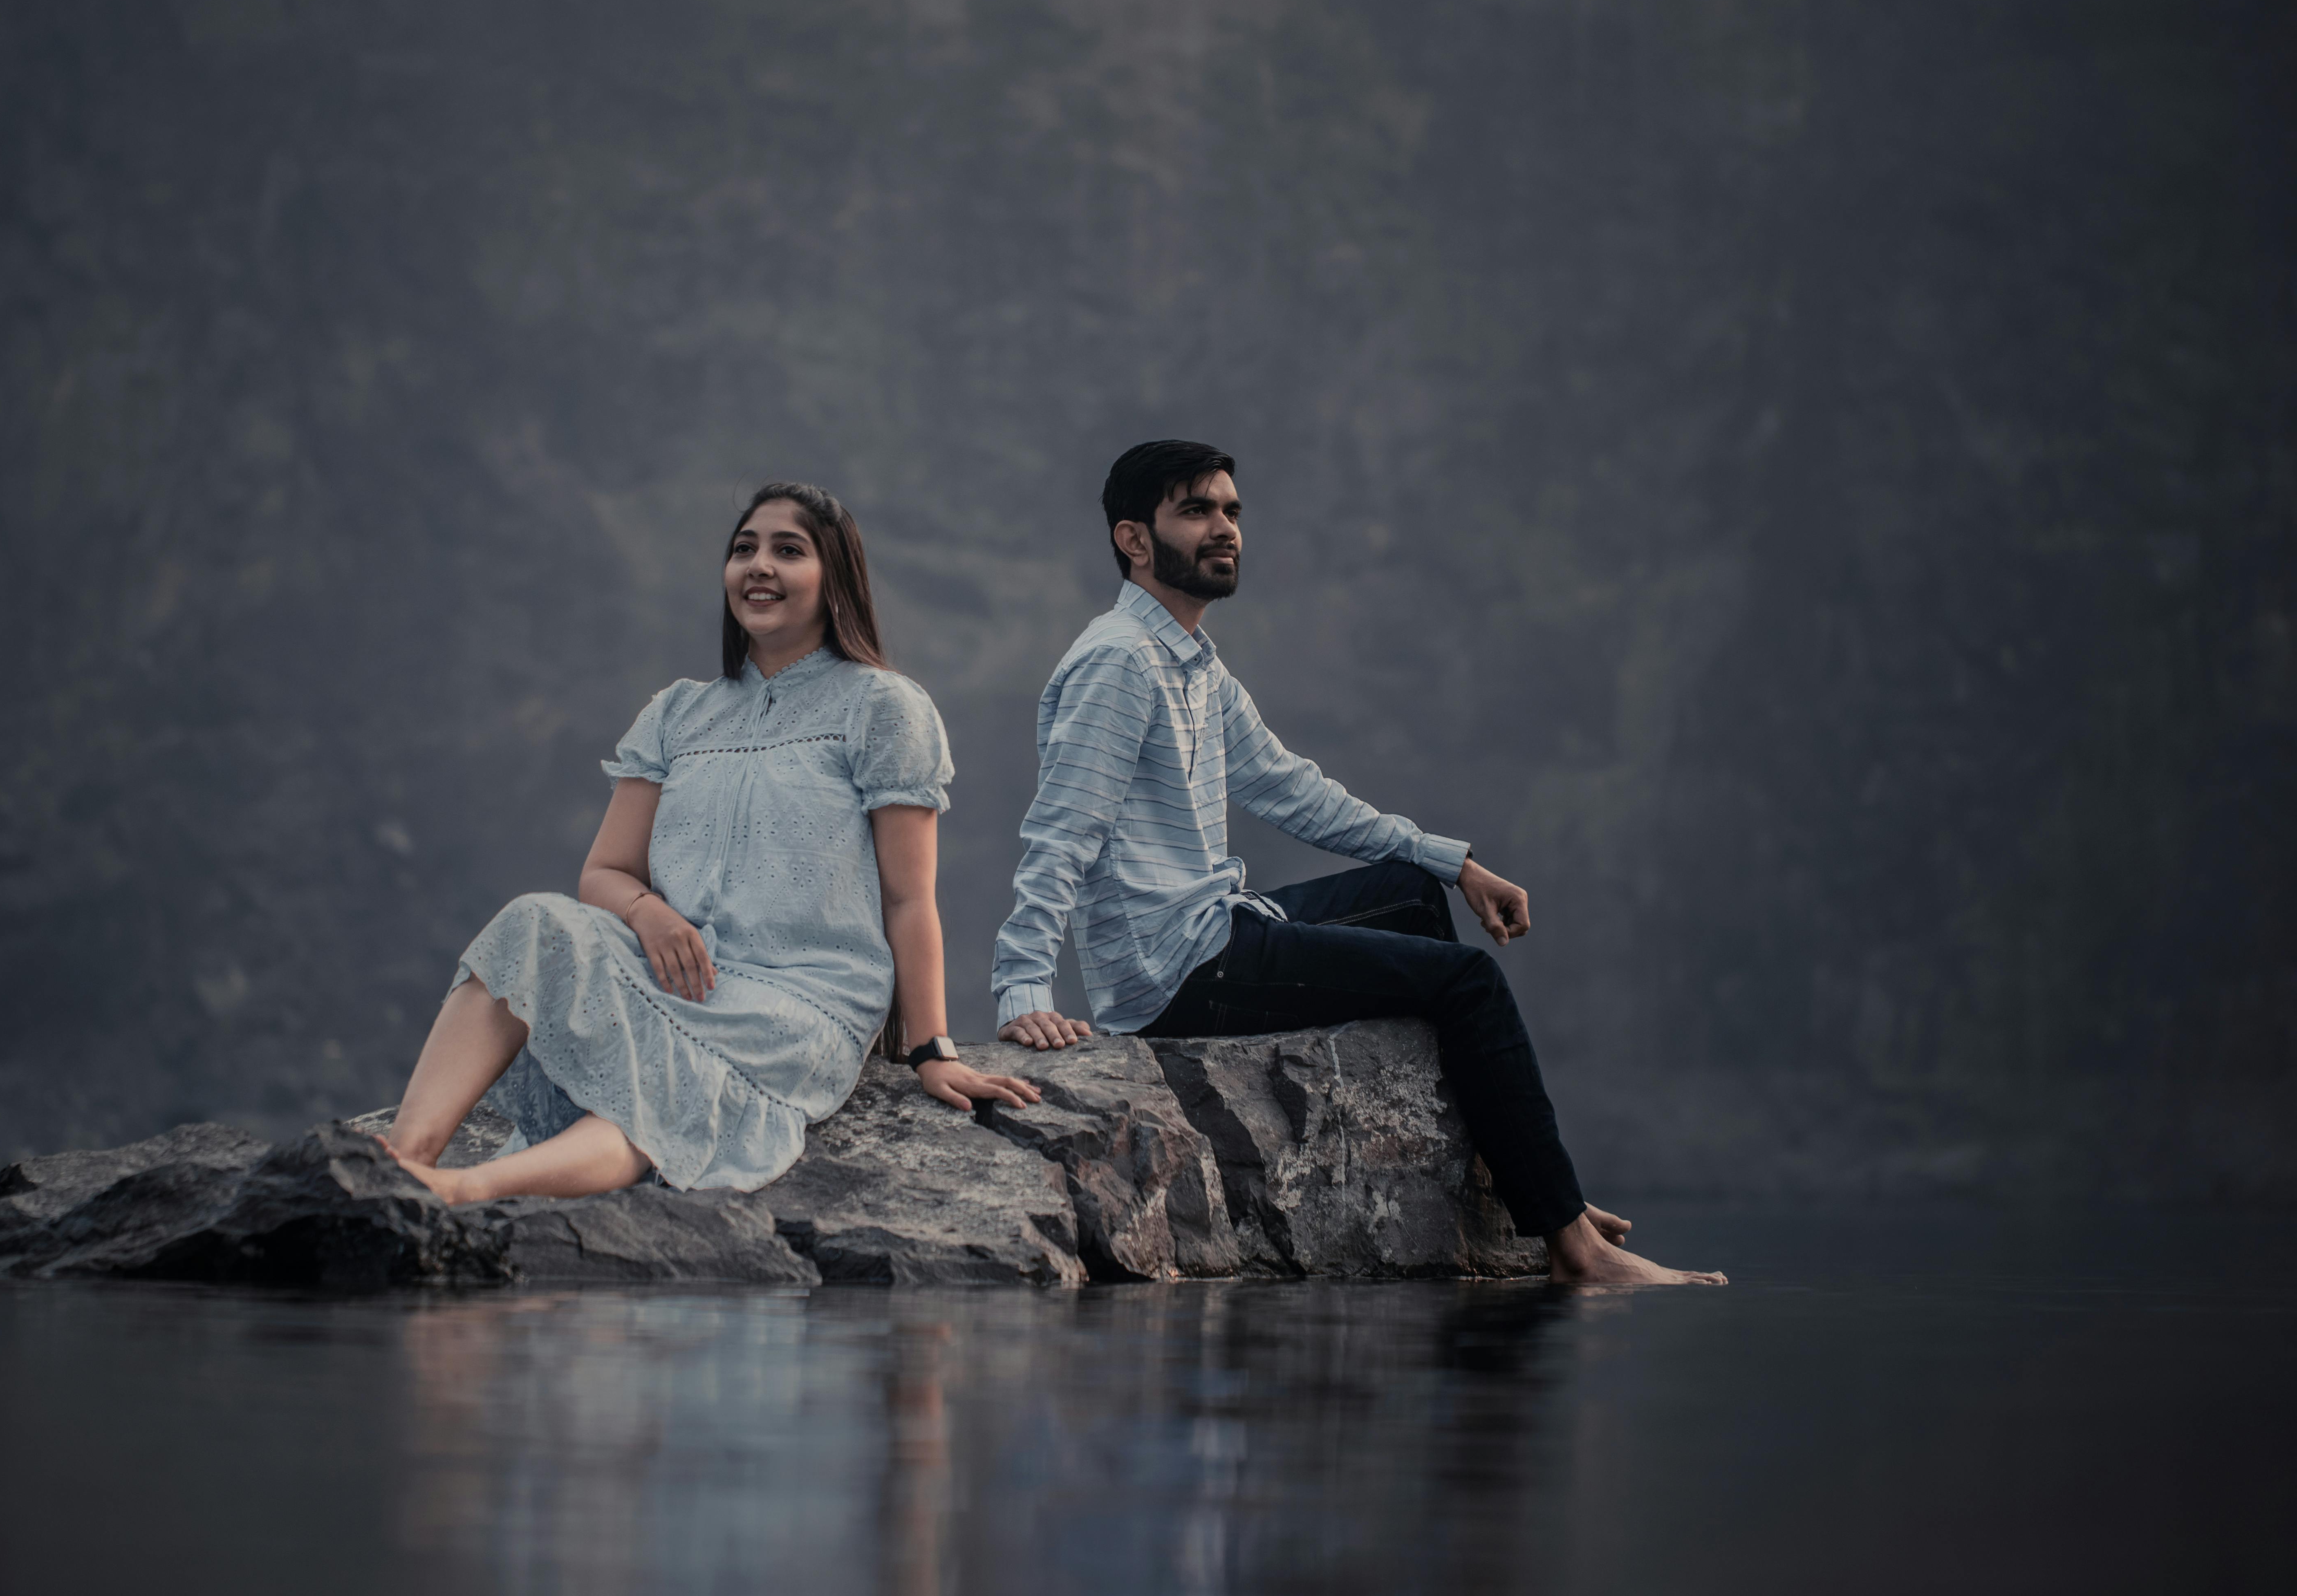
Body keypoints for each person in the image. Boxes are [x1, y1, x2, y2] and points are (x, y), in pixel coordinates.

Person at [989, 441, 1723, 1286]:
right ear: (1135, 539)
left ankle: (1529, 1187)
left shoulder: (1192, 661)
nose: (1226, 528)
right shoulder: (1119, 662)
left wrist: (1455, 863)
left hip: (1218, 928)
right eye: (1198, 511)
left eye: (1232, 510)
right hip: (1179, 973)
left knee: (1409, 894)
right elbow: (1062, 830)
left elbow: (1292, 789)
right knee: (1467, 984)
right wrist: (1023, 989)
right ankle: (1574, 1244)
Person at [380, 482, 1038, 1203]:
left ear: (836, 579)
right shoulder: (678, 712)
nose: (758, 566)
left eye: (788, 551)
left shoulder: (883, 707)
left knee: (670, 1092)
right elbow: (604, 873)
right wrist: (651, 915)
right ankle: (402, 1161)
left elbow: (910, 900)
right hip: (676, 975)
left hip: (802, 1001)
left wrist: (931, 1051)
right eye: (743, 550)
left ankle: (460, 1192)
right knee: (529, 924)